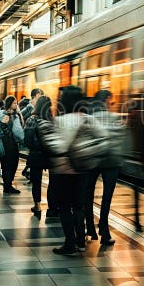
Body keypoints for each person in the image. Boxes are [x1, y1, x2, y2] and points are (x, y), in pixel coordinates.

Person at [38, 86, 94, 256]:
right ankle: (81, 242)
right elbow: (100, 140)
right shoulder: (88, 119)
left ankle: (70, 243)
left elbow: (55, 145)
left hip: (63, 169)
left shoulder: (59, 121)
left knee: (64, 207)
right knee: (79, 206)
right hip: (83, 169)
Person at [84, 90, 125, 246]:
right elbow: (120, 140)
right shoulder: (115, 119)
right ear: (107, 100)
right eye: (111, 101)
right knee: (106, 198)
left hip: (93, 161)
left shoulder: (89, 119)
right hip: (112, 161)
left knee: (88, 194)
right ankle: (104, 230)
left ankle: (89, 227)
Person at [24, 95, 53, 217]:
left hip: (36, 155)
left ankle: (37, 205)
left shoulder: (31, 120)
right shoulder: (52, 120)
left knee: (36, 182)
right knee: (53, 182)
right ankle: (52, 206)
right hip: (50, 155)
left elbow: (27, 140)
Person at [0, 96, 24, 194]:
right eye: (14, 103)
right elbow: (18, 131)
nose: (16, 104)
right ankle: (8, 186)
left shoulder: (0, 113)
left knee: (5, 165)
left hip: (2, 143)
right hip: (11, 143)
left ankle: (7, 185)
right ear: (9, 104)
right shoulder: (13, 115)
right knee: (12, 164)